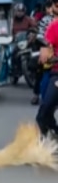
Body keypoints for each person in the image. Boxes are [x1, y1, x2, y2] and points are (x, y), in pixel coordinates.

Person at [38, 8, 58, 137]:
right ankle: (53, 133)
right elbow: (45, 52)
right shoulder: (54, 27)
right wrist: (46, 56)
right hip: (56, 73)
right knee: (43, 113)